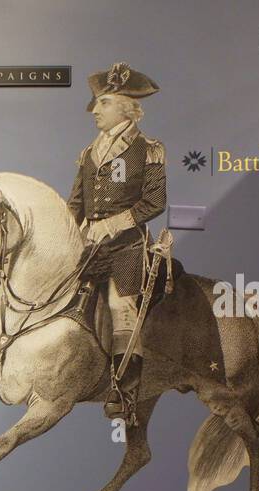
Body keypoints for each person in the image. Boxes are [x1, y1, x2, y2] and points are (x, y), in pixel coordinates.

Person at [67, 62, 167, 417]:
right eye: (96, 103)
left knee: (118, 306)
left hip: (127, 248)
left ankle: (124, 393)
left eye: (103, 103)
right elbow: (76, 204)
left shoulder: (149, 149)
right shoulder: (88, 152)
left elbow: (154, 202)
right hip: (90, 248)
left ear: (126, 107)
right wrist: (68, 234)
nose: (95, 110)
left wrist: (111, 225)